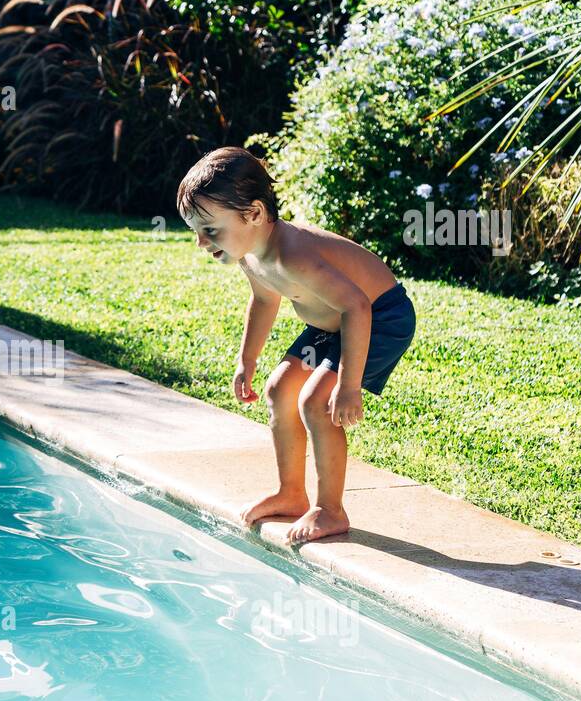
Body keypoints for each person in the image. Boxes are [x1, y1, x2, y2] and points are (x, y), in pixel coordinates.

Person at [177, 147, 416, 542]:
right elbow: (265, 299)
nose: (201, 243)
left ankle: (330, 510)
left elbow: (357, 306)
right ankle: (291, 494)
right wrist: (247, 359)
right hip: (334, 323)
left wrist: (349, 385)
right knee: (279, 390)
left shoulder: (294, 255)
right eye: (196, 232)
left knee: (315, 402)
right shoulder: (251, 256)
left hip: (379, 318)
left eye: (210, 230)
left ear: (252, 214)